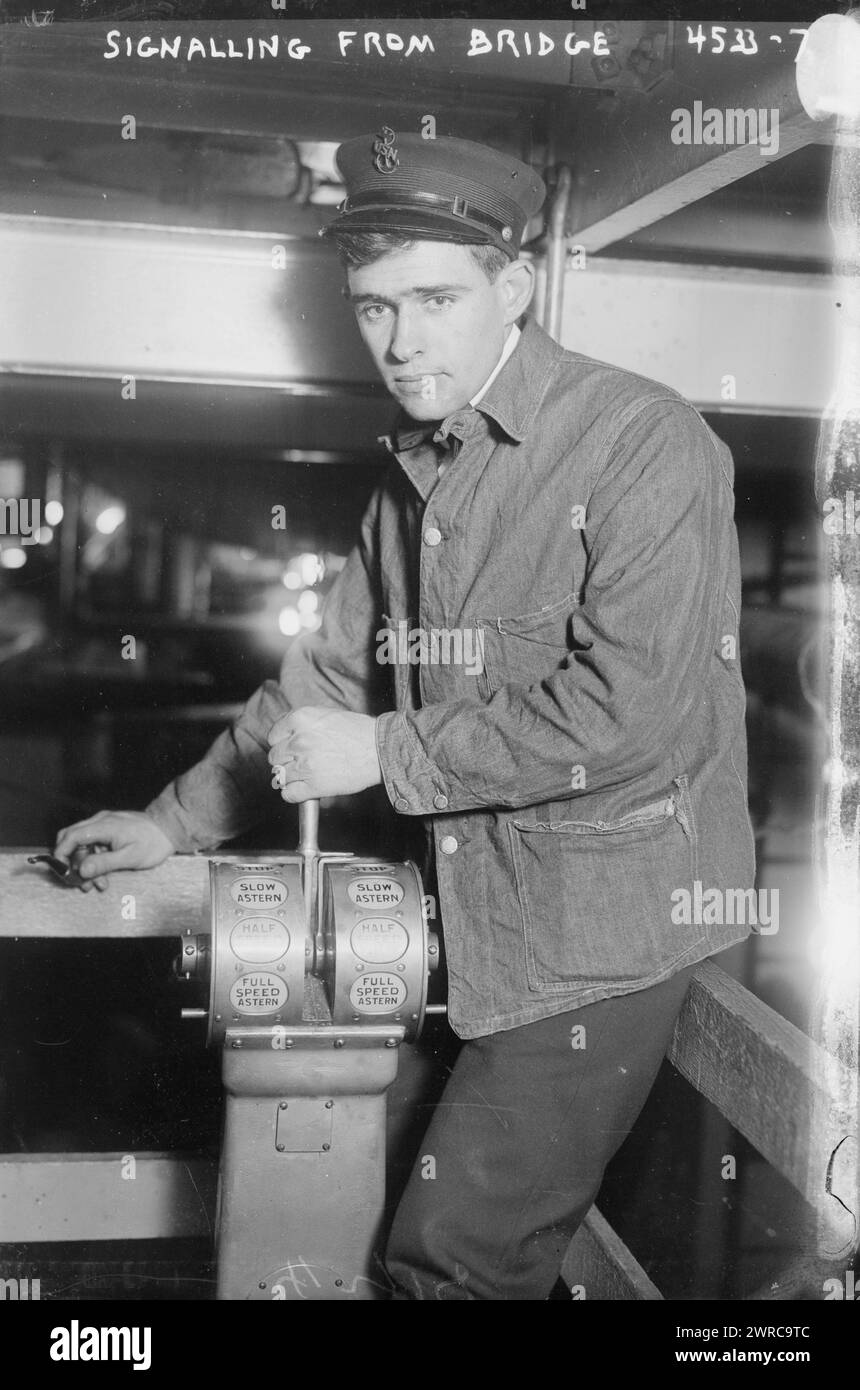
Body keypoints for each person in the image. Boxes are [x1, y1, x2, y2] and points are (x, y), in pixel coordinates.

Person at [55, 129, 756, 1300]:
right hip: (473, 921)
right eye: (374, 307)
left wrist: (381, 750)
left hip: (602, 935)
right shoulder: (413, 481)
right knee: (357, 1196)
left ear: (513, 287)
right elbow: (323, 684)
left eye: (435, 300)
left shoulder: (643, 441)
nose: (400, 341)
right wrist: (168, 825)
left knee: (453, 1258)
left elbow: (623, 715)